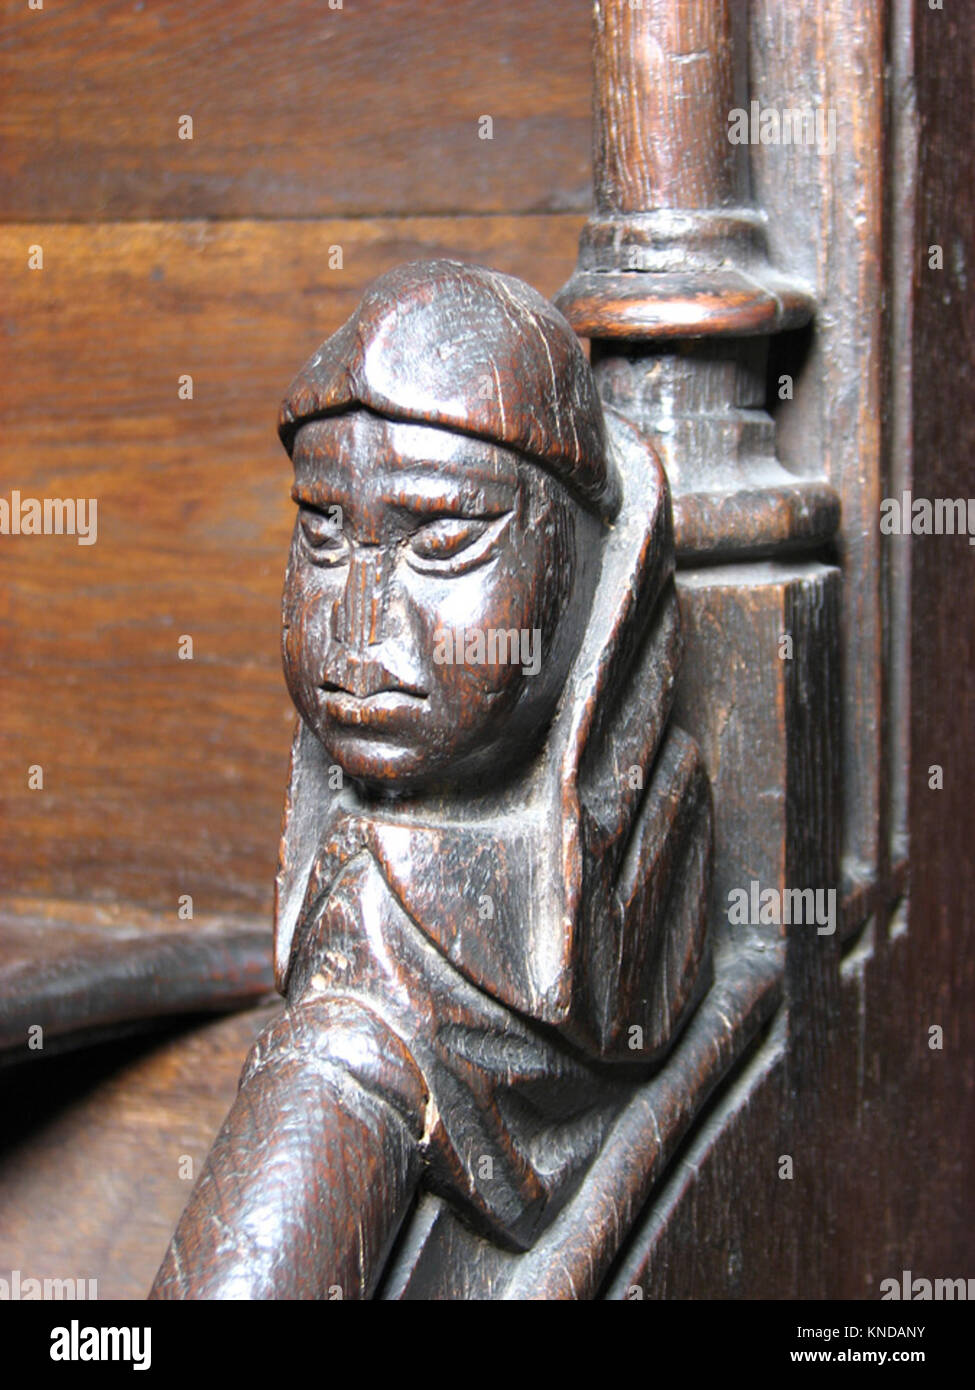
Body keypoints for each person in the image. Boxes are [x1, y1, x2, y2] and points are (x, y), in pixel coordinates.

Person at [151, 260, 711, 1300]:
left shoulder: (640, 855)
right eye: (322, 532)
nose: (356, 635)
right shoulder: (352, 961)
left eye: (443, 541)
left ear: (590, 573)